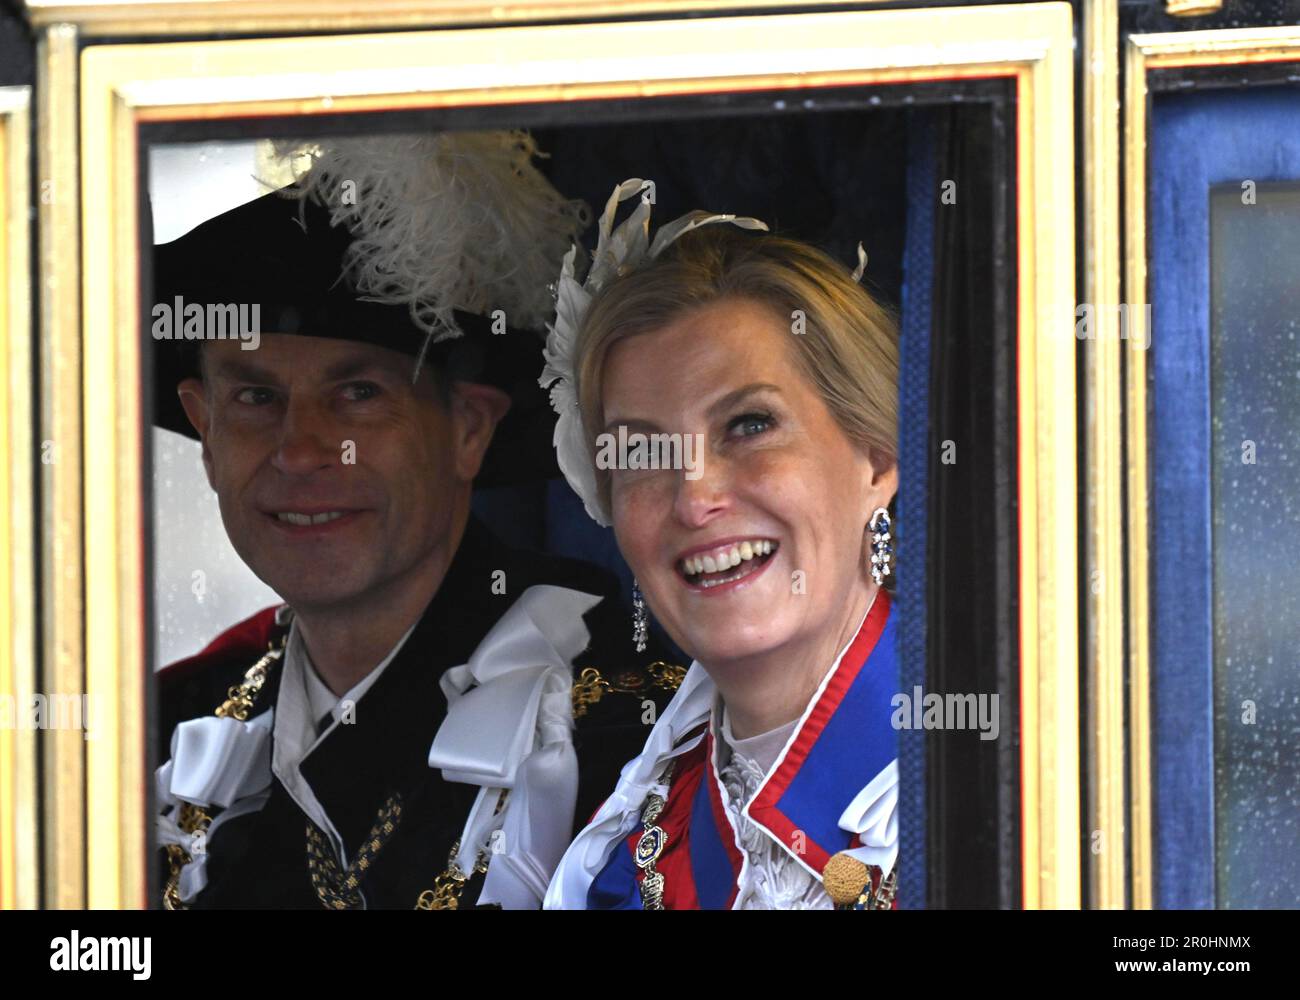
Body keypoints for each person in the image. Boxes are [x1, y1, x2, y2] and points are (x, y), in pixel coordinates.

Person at [153, 136, 679, 910]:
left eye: (358, 394)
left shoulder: (623, 735)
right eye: (255, 398)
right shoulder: (164, 723)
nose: (299, 450)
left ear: (468, 429)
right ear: (205, 428)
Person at [541, 180, 900, 909]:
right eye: (640, 454)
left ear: (876, 460)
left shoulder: (1018, 783)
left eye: (748, 425)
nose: (694, 498)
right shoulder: (620, 863)